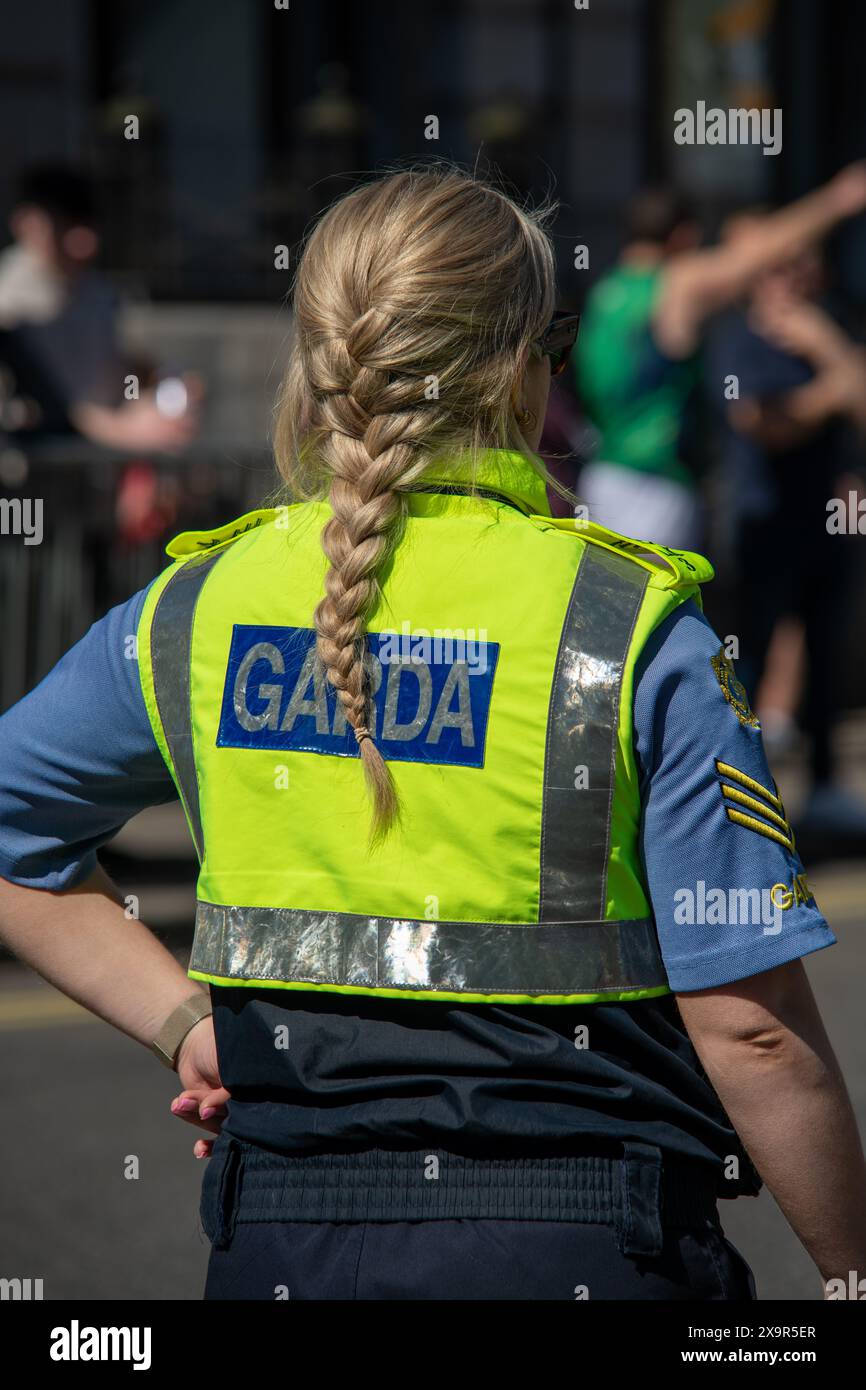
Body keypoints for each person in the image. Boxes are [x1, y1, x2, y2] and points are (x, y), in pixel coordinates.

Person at [1, 165, 864, 1302]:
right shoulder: (626, 624)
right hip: (584, 1244)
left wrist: (181, 1024)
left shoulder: (193, 610)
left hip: (279, 1248)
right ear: (521, 370)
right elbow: (752, 1035)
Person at [575, 169, 866, 549]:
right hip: (655, 487)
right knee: (660, 604)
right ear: (685, 238)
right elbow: (750, 259)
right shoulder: (672, 285)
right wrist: (837, 200)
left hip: (601, 479)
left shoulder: (606, 293)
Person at [709, 227, 866, 843]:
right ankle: (738, 791)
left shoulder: (827, 328)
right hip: (762, 522)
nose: (796, 279)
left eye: (806, 266)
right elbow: (761, 422)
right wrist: (836, 387)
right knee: (746, 658)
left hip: (825, 523)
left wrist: (828, 348)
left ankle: (825, 789)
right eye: (783, 267)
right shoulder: (740, 340)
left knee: (825, 658)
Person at [0, 164, 197, 452]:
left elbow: (121, 369)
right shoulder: (9, 303)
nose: (85, 243)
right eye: (67, 226)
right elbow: (45, 405)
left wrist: (166, 385)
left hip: (97, 465)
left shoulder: (99, 293)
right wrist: (124, 430)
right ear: (26, 224)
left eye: (88, 225)